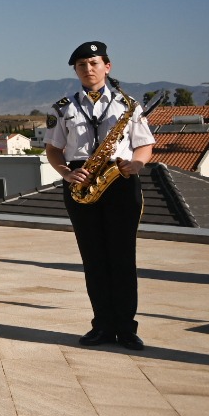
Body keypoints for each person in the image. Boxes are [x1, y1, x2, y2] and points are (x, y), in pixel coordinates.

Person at [45, 41, 155, 350]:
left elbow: (144, 144)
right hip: (81, 178)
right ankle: (102, 326)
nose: (88, 69)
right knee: (93, 258)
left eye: (94, 63)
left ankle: (127, 328)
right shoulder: (63, 107)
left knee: (123, 257)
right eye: (81, 65)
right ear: (76, 70)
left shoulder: (128, 104)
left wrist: (137, 164)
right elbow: (53, 149)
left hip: (120, 177)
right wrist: (66, 173)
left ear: (107, 67)